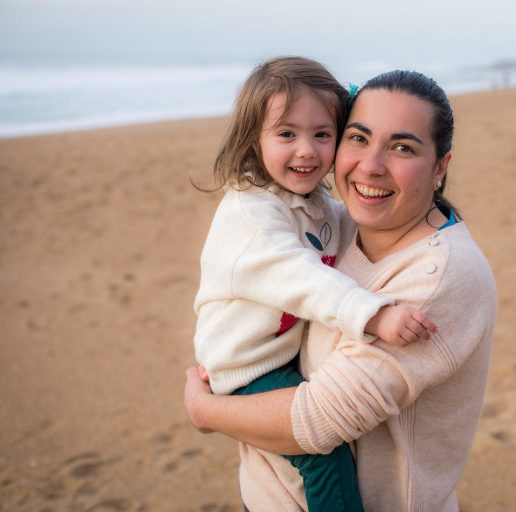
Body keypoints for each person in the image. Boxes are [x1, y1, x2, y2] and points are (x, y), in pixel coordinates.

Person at [185, 69, 497, 512]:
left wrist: (203, 412)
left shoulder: (440, 274)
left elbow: (319, 423)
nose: (370, 166)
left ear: (440, 167)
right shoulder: (343, 225)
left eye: (402, 147)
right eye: (358, 138)